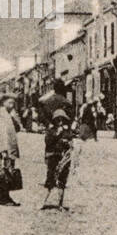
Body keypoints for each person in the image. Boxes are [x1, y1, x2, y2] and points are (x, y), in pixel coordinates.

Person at [40, 79, 73, 209]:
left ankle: (45, 199)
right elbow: (71, 120)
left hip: (51, 139)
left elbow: (41, 117)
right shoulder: (67, 102)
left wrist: (49, 125)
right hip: (64, 139)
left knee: (51, 168)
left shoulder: (47, 102)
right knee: (64, 169)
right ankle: (60, 201)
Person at [0, 95, 22, 206]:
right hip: (6, 148)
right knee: (6, 172)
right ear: (4, 103)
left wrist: (15, 118)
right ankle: (4, 197)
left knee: (8, 171)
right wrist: (3, 150)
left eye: (13, 103)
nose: (12, 105)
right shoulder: (1, 115)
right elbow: (0, 133)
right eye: (10, 103)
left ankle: (4, 196)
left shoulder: (9, 115)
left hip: (10, 148)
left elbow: (18, 128)